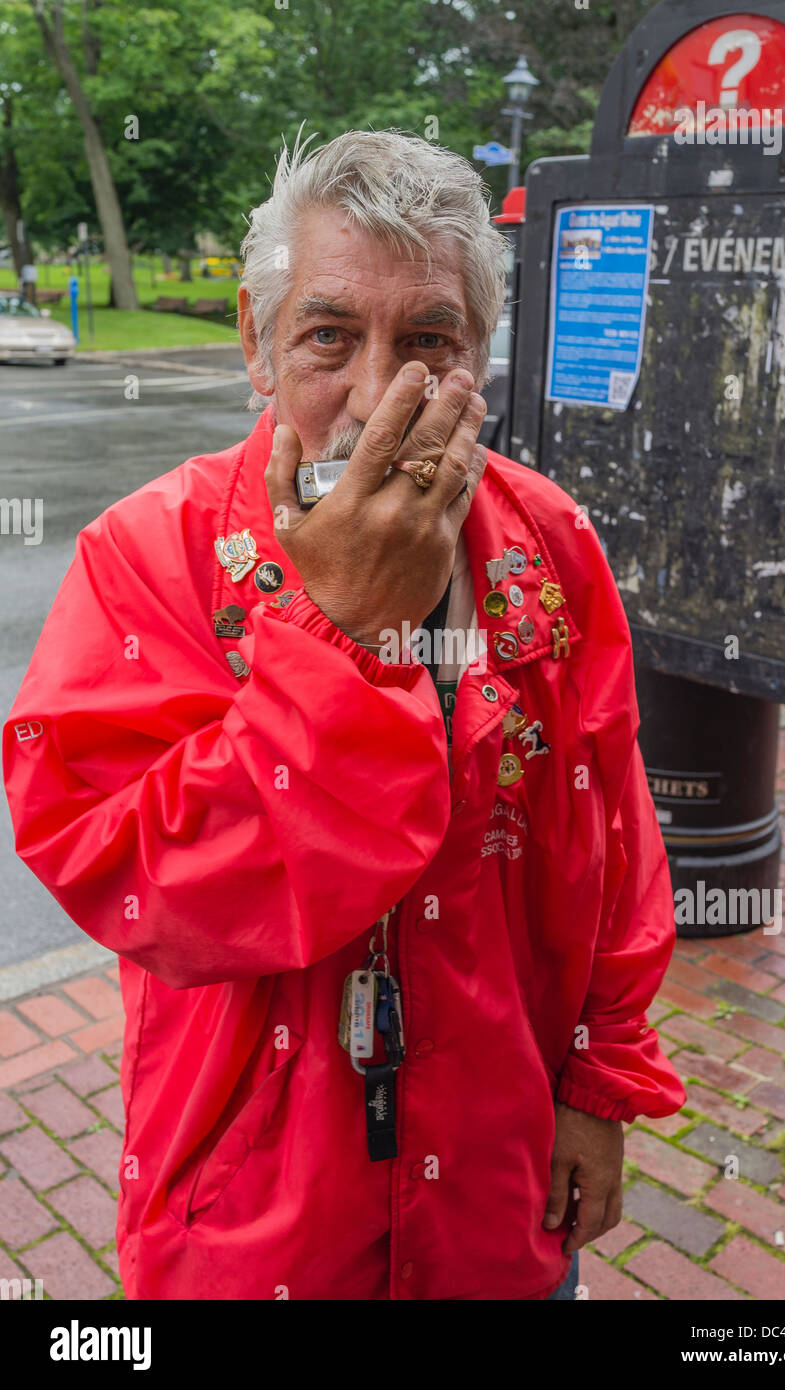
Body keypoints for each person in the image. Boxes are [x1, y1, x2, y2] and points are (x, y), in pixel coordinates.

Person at [3, 128, 686, 1301]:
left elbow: (613, 846)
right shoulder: (148, 555)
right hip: (256, 1223)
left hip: (497, 1191)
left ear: (480, 355)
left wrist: (597, 1087)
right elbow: (129, 874)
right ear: (255, 345)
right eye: (329, 336)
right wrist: (344, 637)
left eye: (428, 341)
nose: (379, 397)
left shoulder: (550, 543)